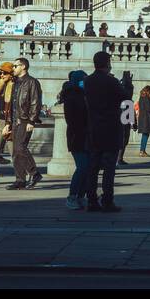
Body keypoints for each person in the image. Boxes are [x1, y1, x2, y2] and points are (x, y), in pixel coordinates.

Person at [84, 51, 131, 212]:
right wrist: (128, 84)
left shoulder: (88, 81)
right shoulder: (111, 81)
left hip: (94, 128)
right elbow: (126, 98)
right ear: (107, 63)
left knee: (93, 166)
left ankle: (91, 199)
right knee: (109, 167)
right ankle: (107, 200)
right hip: (110, 128)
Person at [8, 58, 43, 190]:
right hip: (15, 121)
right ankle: (20, 179)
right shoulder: (15, 82)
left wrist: (31, 120)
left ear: (23, 67)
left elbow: (35, 102)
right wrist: (8, 122)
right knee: (15, 151)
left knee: (20, 147)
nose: (13, 68)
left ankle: (34, 173)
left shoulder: (32, 82)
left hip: (25, 120)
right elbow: (12, 105)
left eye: (15, 66)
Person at [59, 70, 91, 210]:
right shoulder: (72, 96)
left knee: (87, 168)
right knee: (82, 167)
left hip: (86, 136)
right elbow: (73, 119)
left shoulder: (84, 95)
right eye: (83, 79)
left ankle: (80, 196)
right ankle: (72, 196)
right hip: (77, 136)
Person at [135, 85, 150, 157]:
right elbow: (149, 109)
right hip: (146, 119)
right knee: (145, 135)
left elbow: (146, 107)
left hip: (143, 119)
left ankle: (142, 151)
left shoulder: (142, 97)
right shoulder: (146, 97)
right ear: (149, 91)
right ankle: (142, 151)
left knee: (144, 135)